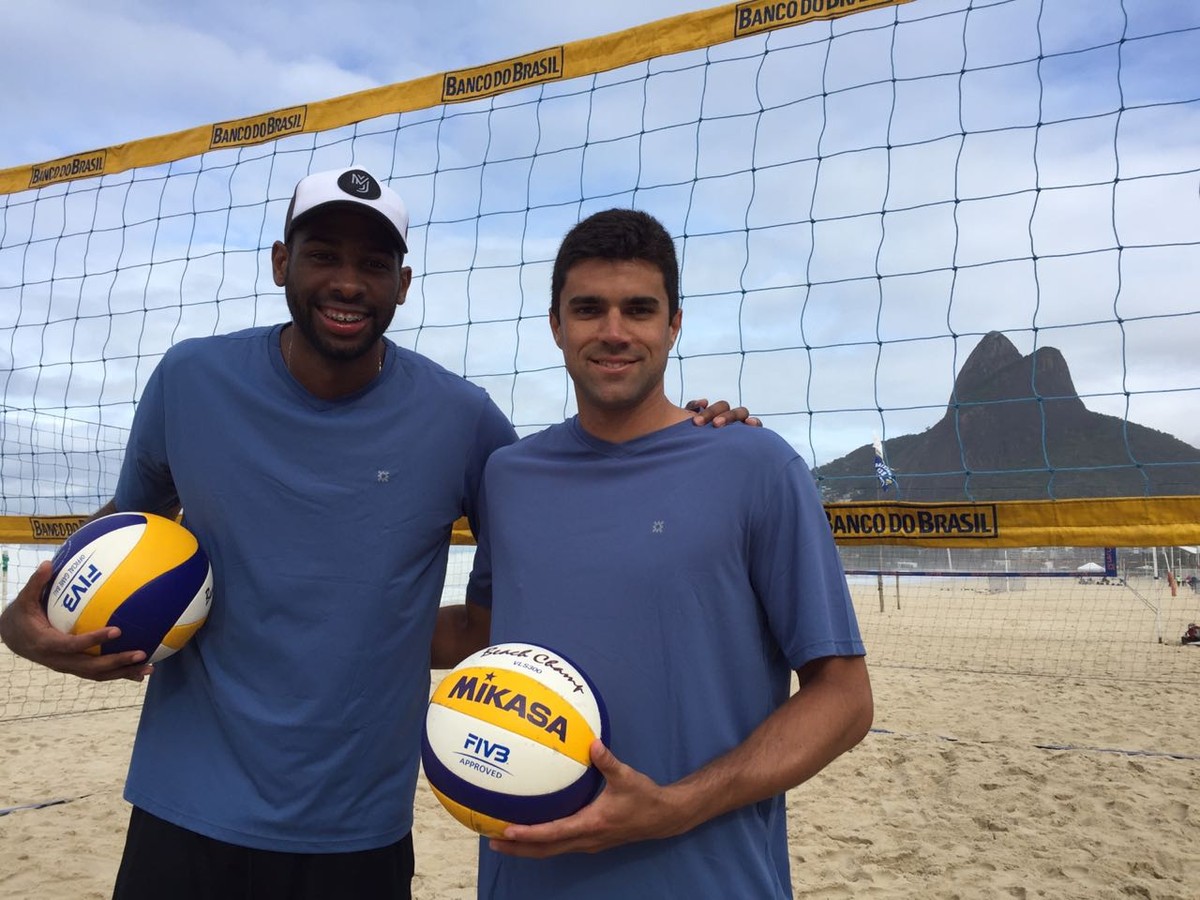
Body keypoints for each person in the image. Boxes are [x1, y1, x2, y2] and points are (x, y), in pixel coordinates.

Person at [0, 168, 752, 900]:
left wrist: (693, 439)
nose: (349, 282)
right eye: (323, 255)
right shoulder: (190, 379)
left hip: (355, 832)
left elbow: (555, 550)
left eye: (374, 262)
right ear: (280, 263)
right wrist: (23, 621)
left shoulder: (463, 420)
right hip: (181, 806)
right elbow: (120, 533)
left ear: (404, 283)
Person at [460, 209, 873, 899]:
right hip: (526, 879)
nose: (614, 331)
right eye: (588, 309)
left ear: (674, 323)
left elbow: (845, 700)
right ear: (555, 324)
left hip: (709, 878)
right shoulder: (508, 476)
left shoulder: (757, 466)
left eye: (639, 309)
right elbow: (487, 634)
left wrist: (679, 806)